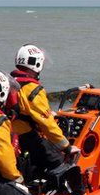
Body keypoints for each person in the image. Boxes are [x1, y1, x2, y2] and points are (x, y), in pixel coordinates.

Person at [10, 44, 79, 179]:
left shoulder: (11, 83)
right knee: (60, 162)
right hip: (27, 137)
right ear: (37, 64)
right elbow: (48, 125)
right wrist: (67, 147)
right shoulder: (34, 90)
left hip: (11, 134)